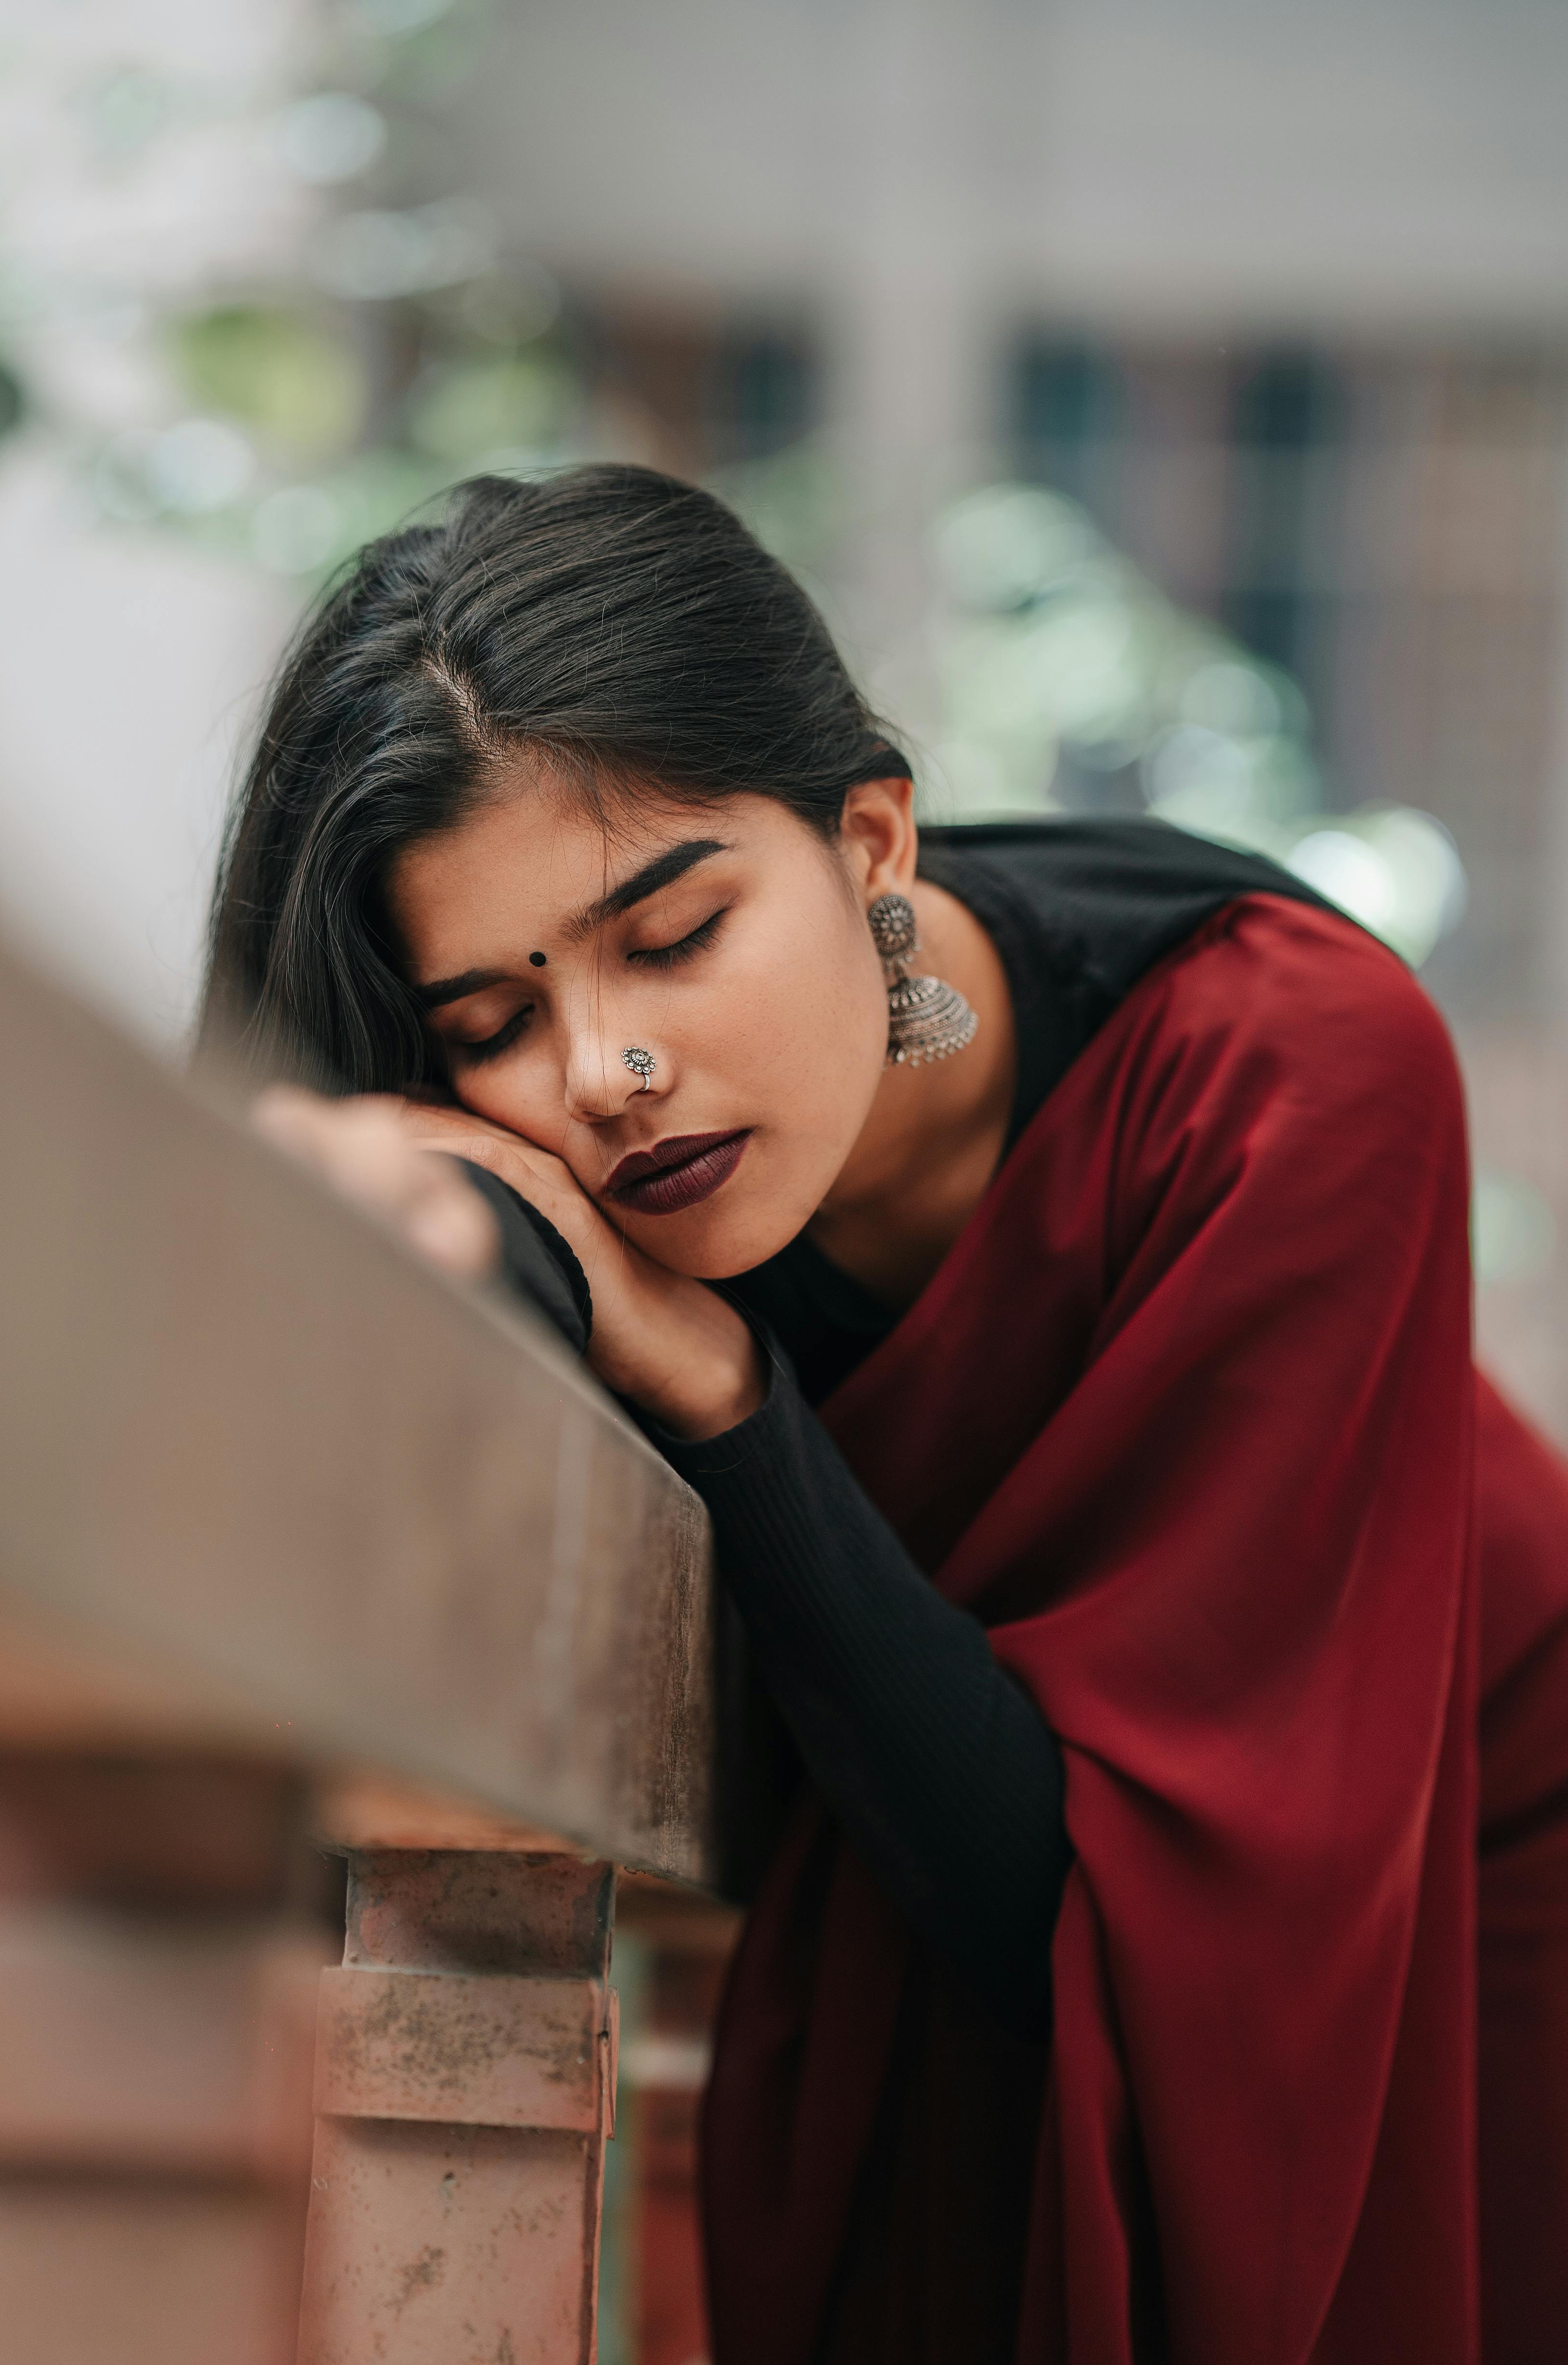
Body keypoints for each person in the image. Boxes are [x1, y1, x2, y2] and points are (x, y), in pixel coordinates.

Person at [201, 464, 1568, 2365]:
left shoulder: (1293, 1070)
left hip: (1449, 1855)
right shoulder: (575, 1191)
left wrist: (731, 1393)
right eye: (495, 1020)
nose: (611, 1069)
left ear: (869, 840)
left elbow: (1078, 1913)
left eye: (671, 932)